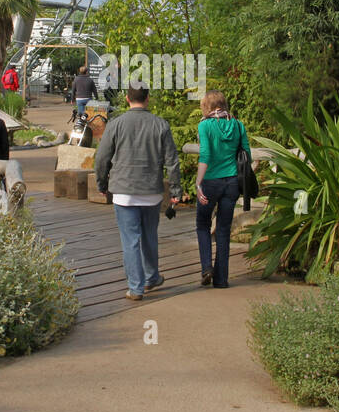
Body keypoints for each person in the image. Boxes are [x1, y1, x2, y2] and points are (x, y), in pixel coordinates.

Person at [94, 81, 182, 301]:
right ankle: (152, 277)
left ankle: (135, 287)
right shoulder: (160, 124)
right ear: (147, 98)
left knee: (130, 240)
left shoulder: (115, 124)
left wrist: (102, 184)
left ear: (127, 98)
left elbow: (101, 158)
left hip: (123, 192)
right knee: (150, 236)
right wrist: (175, 190)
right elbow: (172, 161)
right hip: (151, 191)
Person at [195, 89, 251, 289]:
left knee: (202, 224)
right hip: (232, 183)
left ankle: (206, 268)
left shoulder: (205, 126)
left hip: (210, 182)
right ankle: (221, 279)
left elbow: (205, 154)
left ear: (207, 107)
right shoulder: (238, 125)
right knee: (224, 230)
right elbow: (246, 153)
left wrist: (198, 182)